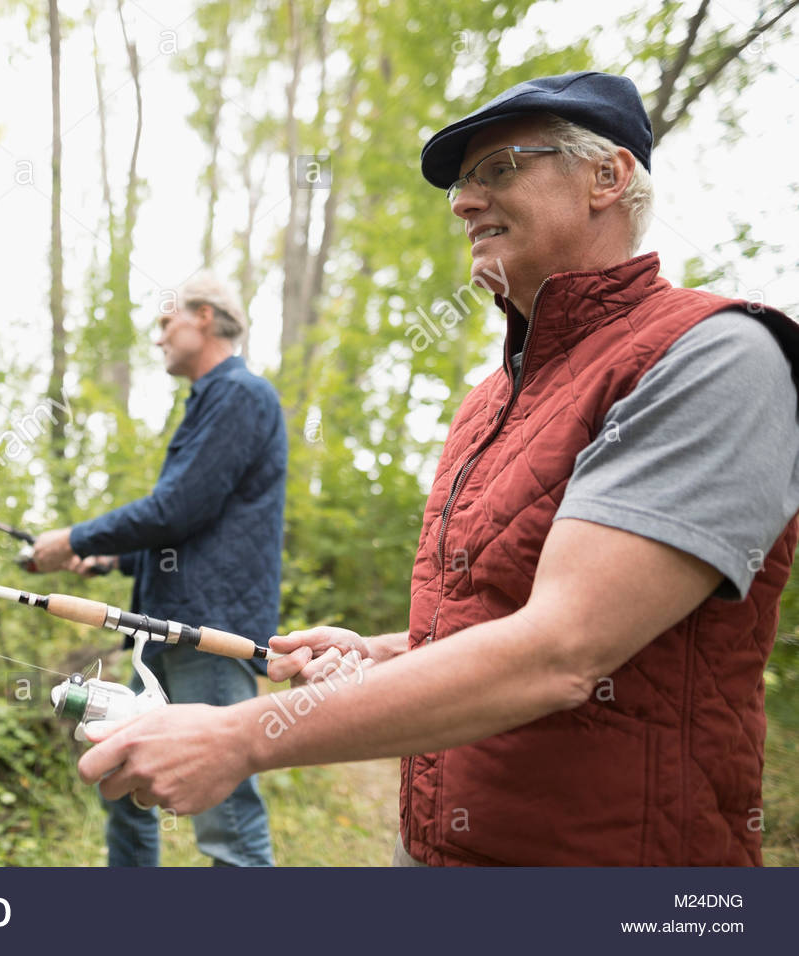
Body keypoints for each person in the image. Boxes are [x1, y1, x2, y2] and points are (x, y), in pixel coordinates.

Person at [73, 71, 799, 866]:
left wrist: (240, 738)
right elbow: (502, 613)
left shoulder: (713, 356)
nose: (462, 201)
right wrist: (394, 652)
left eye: (499, 169)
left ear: (607, 176)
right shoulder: (488, 403)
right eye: (461, 183)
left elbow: (564, 650)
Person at [32, 272, 287, 867]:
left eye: (165, 323)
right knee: (125, 778)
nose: (157, 339)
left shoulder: (242, 396)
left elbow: (175, 511)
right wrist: (110, 557)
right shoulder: (209, 402)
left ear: (203, 316)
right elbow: (194, 524)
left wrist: (72, 536)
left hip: (209, 634)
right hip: (162, 633)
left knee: (223, 815)